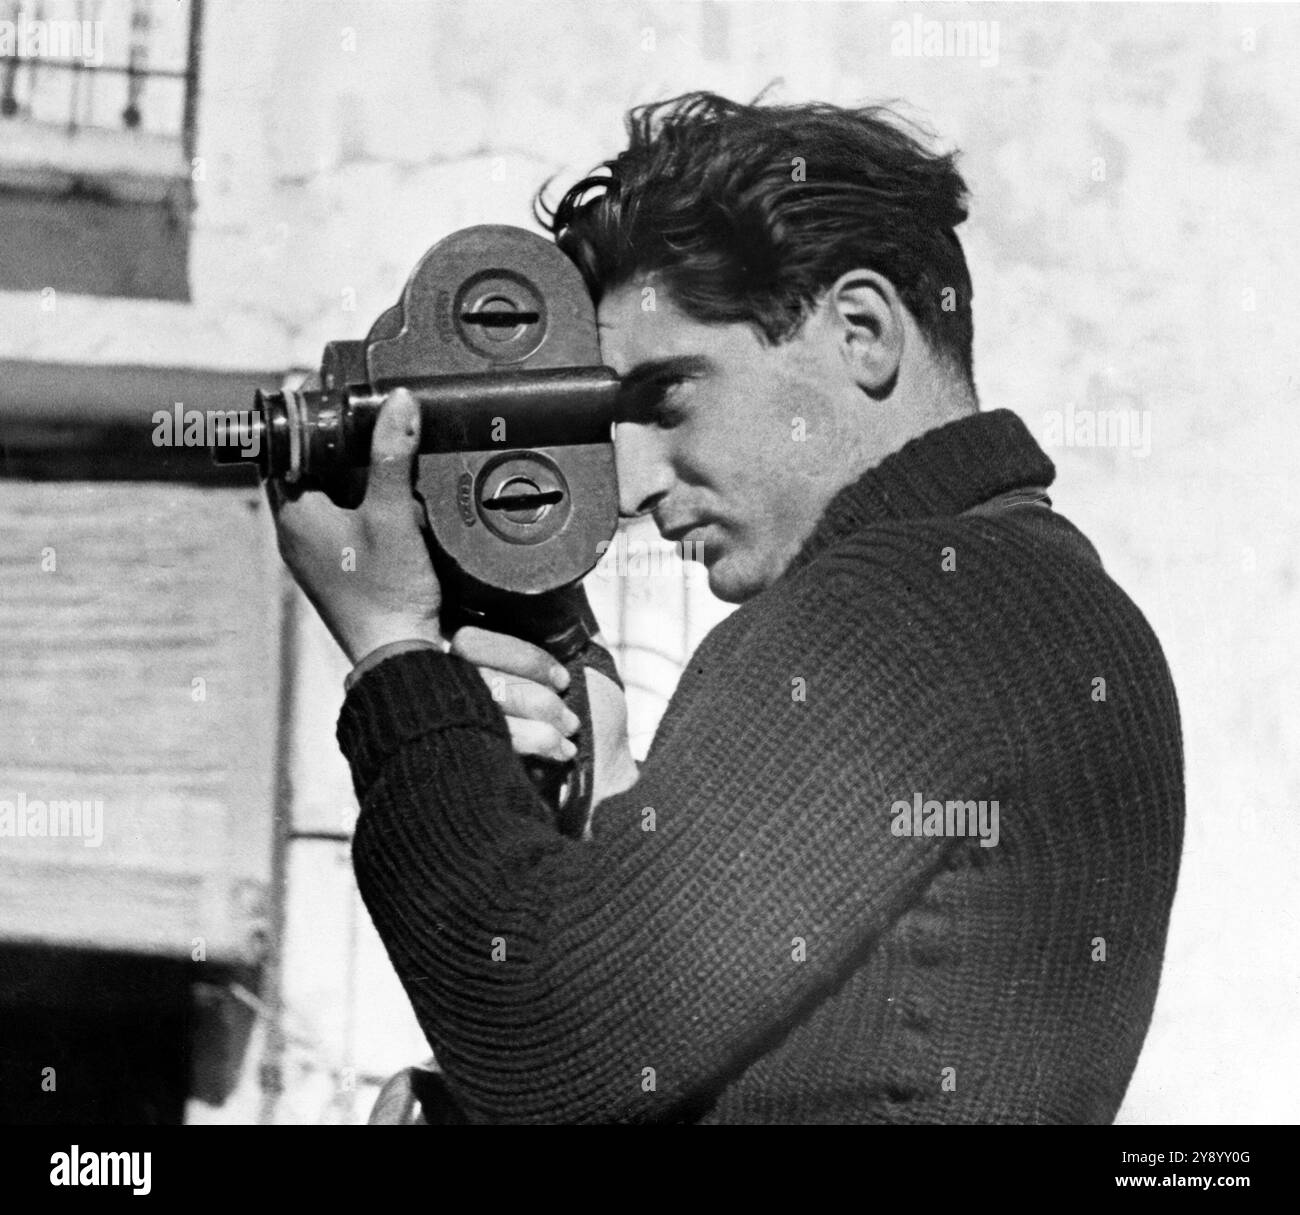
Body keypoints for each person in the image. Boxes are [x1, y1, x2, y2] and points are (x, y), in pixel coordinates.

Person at [268, 92, 1185, 1124]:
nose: (633, 480)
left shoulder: (910, 608)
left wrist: (393, 649)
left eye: (666, 400)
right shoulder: (1027, 595)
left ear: (860, 330)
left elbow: (542, 1033)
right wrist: (610, 800)